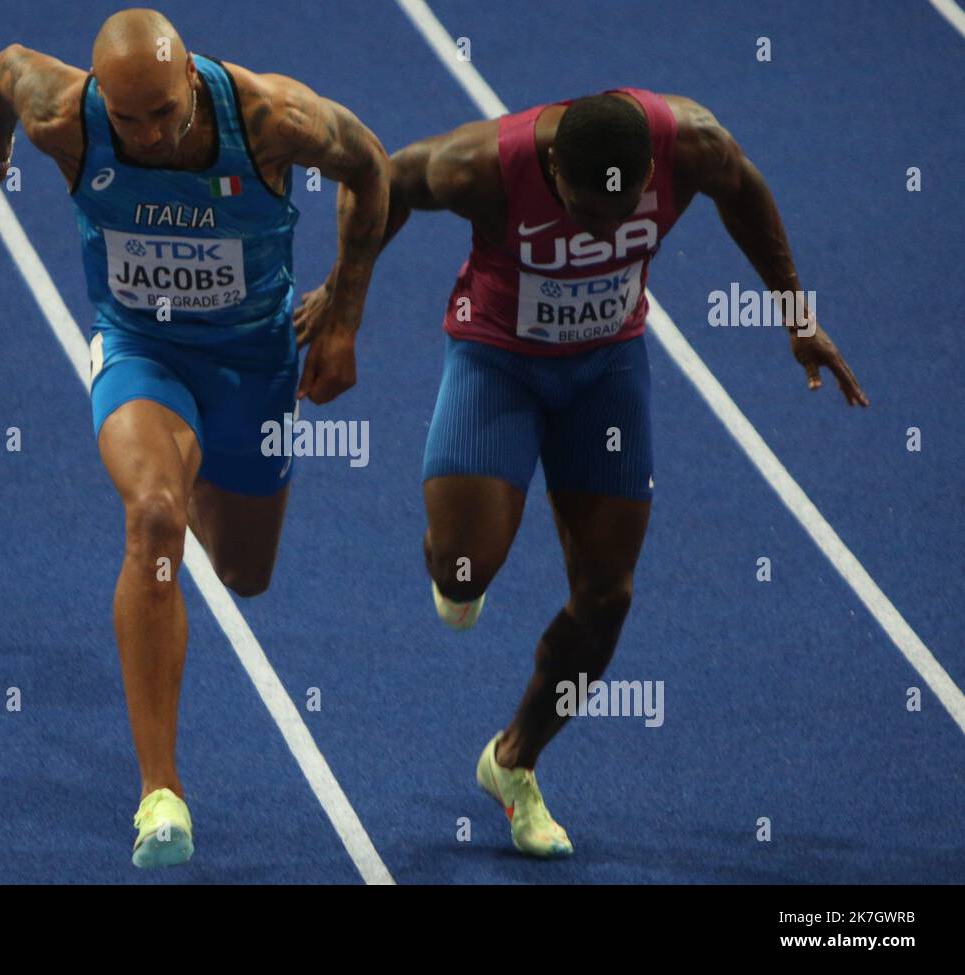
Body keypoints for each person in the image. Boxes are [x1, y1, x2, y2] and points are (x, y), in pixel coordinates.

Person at [299, 87, 867, 857]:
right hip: (499, 361)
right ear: (555, 163)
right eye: (583, 212)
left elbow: (744, 188)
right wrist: (342, 304)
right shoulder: (482, 165)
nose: (603, 231)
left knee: (608, 594)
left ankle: (514, 762)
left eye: (621, 213)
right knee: (463, 571)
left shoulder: (691, 142)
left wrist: (796, 316)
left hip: (605, 370)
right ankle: (461, 569)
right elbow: (382, 178)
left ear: (648, 175)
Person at [0, 7, 388, 868]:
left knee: (244, 573)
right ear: (100, 103)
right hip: (140, 349)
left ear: (193, 81)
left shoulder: (271, 119)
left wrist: (343, 312)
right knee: (154, 518)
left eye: (165, 113)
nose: (149, 135)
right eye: (130, 121)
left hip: (252, 364)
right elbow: (4, 68)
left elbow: (372, 167)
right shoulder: (63, 116)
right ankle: (161, 793)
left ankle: (193, 473)